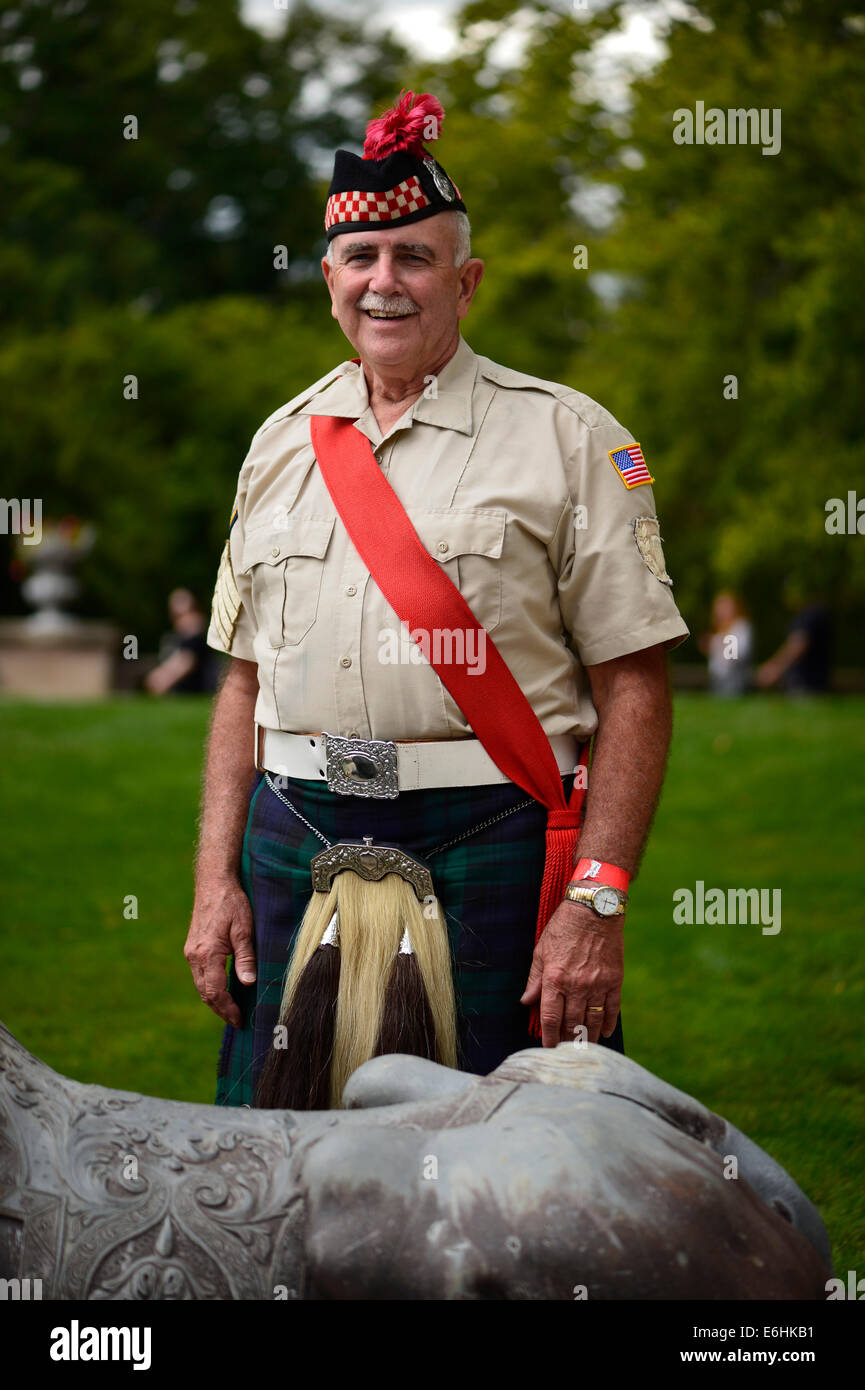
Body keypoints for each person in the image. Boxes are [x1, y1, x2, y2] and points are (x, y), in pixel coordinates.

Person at [183, 91, 689, 1108]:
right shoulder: (281, 442)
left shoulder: (570, 436)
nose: (385, 283)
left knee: (507, 1180)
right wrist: (212, 879)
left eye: (414, 258)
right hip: (295, 826)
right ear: (329, 278)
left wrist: (595, 901)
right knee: (279, 1161)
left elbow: (633, 684)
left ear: (466, 282)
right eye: (361, 259)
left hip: (489, 828)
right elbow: (240, 682)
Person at [757, 583, 832, 694]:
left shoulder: (810, 615)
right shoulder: (817, 613)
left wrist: (774, 670)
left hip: (807, 683)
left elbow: (798, 646)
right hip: (814, 682)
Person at [145, 588, 219, 695]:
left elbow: (186, 661)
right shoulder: (183, 633)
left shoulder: (194, 628)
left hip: (196, 689)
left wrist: (160, 680)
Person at [700, 590, 753, 695]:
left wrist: (715, 643)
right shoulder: (719, 630)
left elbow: (739, 653)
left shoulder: (741, 627)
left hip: (736, 681)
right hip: (717, 681)